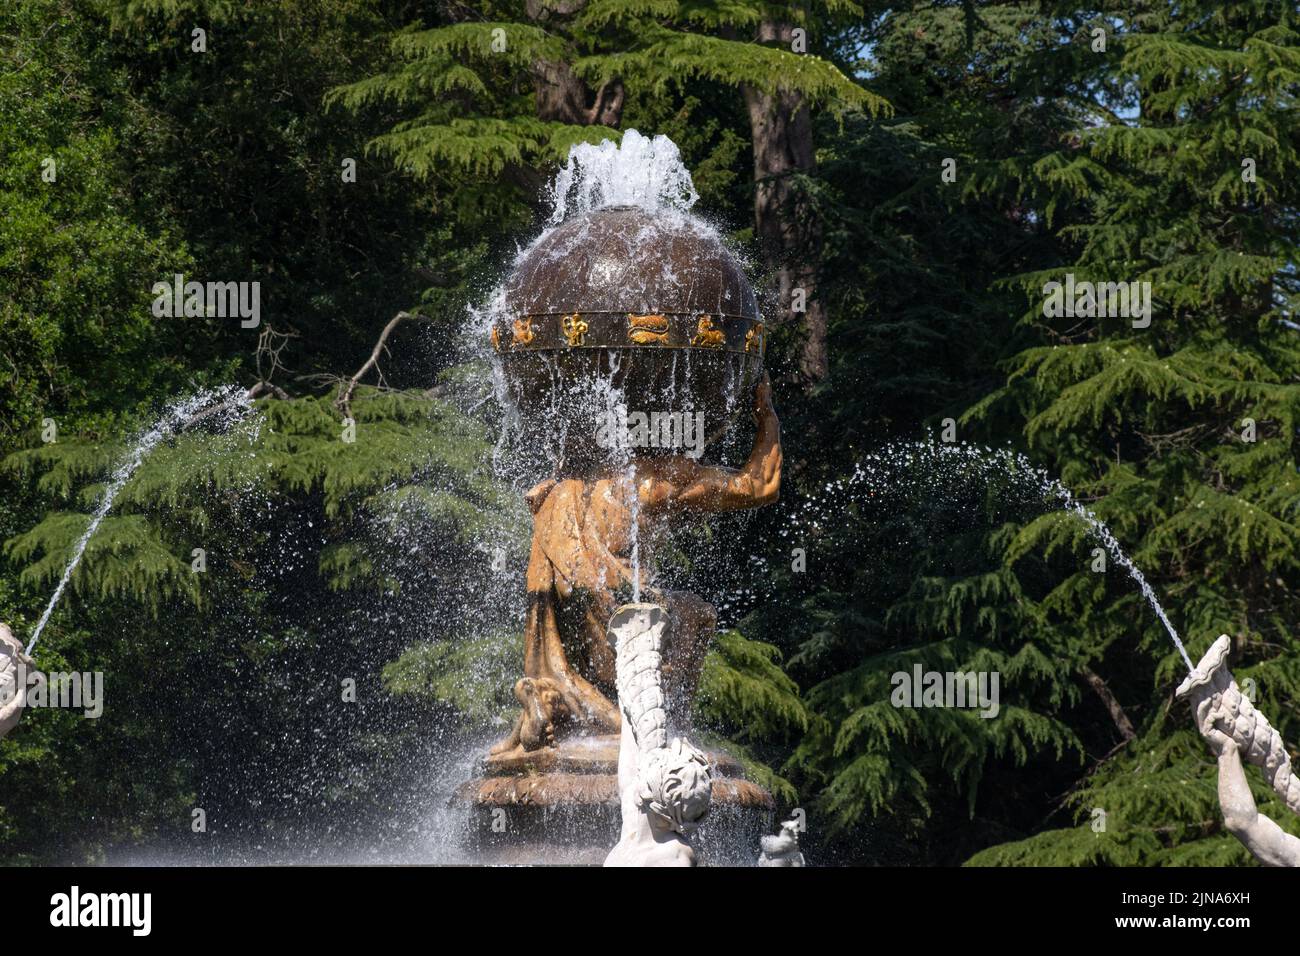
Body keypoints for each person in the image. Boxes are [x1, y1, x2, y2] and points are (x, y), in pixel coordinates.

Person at [491, 375, 782, 755]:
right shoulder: (658, 481)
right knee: (697, 612)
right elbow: (761, 486)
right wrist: (766, 414)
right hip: (627, 627)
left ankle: (552, 696)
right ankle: (667, 732)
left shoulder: (566, 488)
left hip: (576, 623)